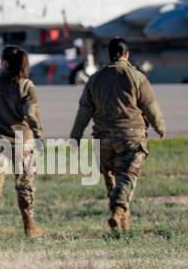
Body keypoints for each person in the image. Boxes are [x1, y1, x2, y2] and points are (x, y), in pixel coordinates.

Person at [70, 38, 166, 234]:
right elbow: (150, 106)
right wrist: (159, 126)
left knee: (111, 179)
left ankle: (122, 225)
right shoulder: (136, 77)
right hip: (130, 136)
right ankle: (119, 210)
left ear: (109, 55)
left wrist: (75, 137)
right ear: (127, 54)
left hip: (103, 138)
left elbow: (84, 111)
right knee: (127, 177)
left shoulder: (95, 78)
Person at [0, 45, 45, 238]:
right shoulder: (25, 86)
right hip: (23, 143)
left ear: (4, 63)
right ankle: (29, 226)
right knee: (25, 184)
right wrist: (39, 136)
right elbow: (31, 115)